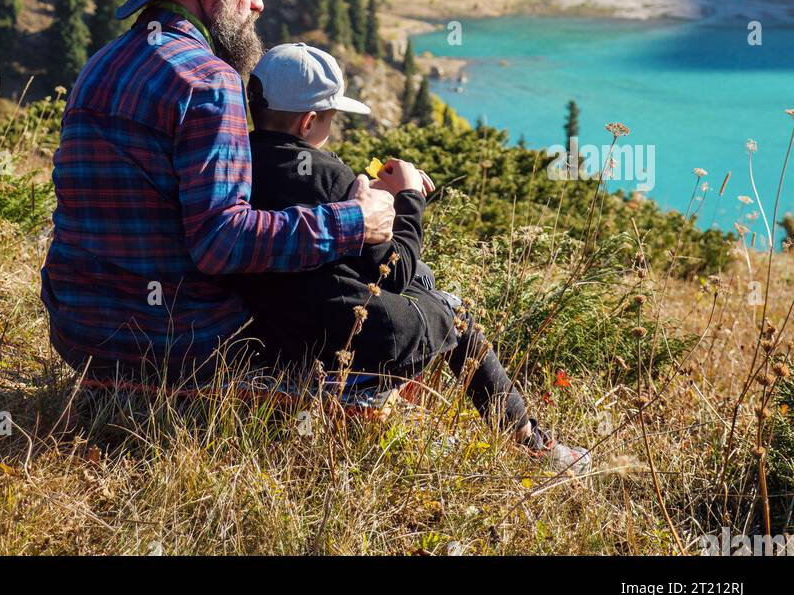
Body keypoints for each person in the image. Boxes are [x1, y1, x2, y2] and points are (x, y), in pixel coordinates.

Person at [40, 0, 395, 385]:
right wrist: (355, 220)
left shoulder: (100, 63)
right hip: (180, 346)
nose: (259, 2)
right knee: (390, 318)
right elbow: (222, 242)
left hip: (79, 337)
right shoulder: (208, 79)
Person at [234, 42, 591, 473]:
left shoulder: (235, 163)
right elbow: (395, 270)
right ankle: (531, 442)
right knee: (452, 311)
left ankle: (521, 436)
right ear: (309, 121)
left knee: (426, 284)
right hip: (339, 340)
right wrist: (408, 199)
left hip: (267, 334)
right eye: (330, 119)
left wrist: (366, 200)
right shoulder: (331, 176)